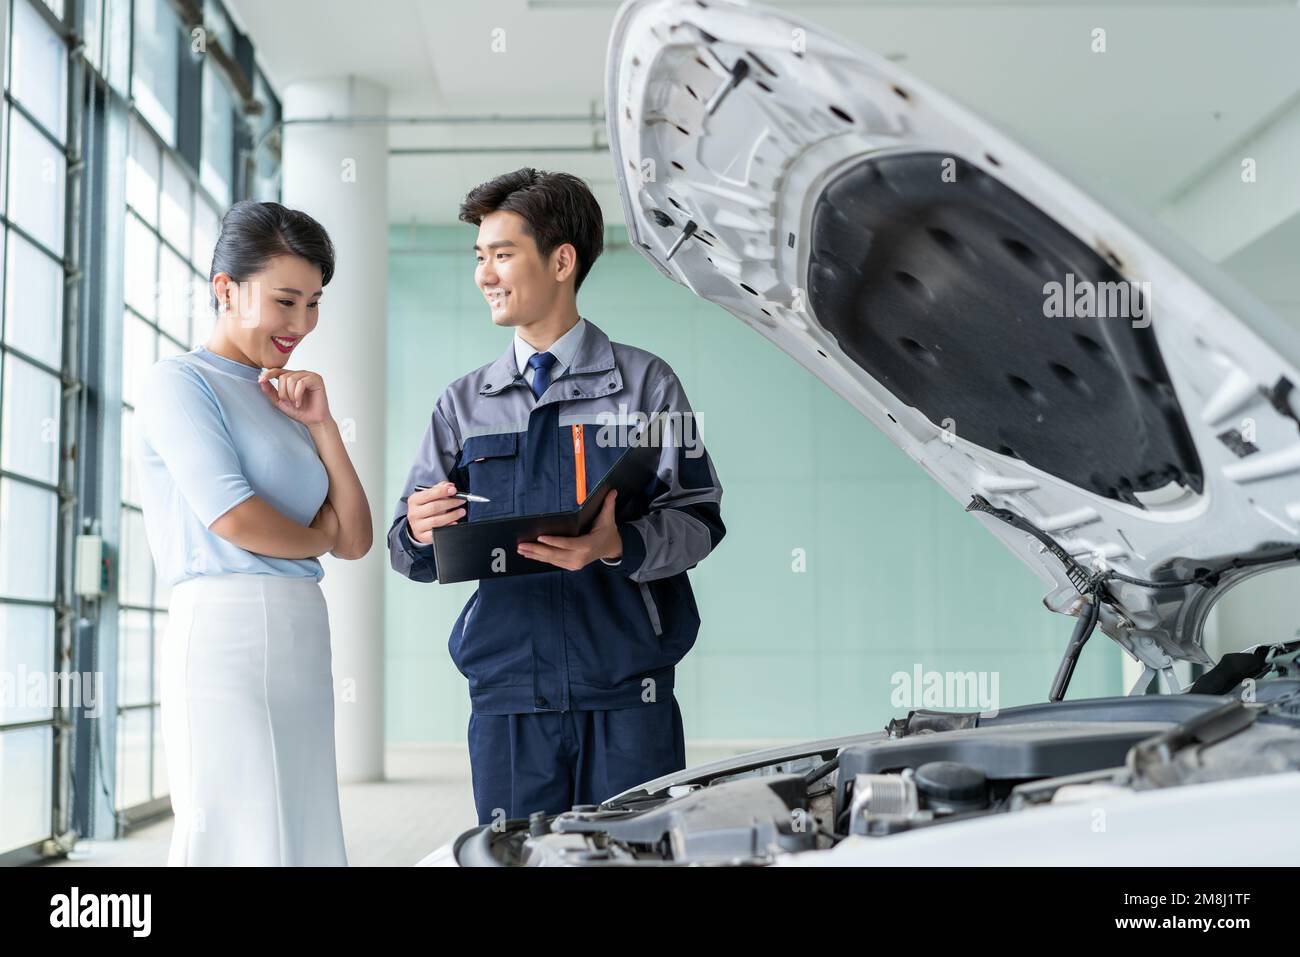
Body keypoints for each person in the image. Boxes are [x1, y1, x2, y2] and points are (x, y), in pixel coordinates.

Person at [388, 168, 725, 825]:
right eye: (479, 258)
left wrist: (617, 545)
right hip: (509, 698)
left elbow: (700, 519)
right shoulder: (461, 404)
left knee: (635, 856)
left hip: (630, 696)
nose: (485, 273)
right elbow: (409, 546)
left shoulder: (647, 385)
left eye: (503, 255)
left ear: (562, 260)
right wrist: (419, 530)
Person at [135, 200, 372, 865]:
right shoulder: (178, 383)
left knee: (304, 825)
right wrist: (316, 534)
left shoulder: (287, 397)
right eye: (285, 300)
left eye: (314, 302)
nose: (301, 323)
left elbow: (354, 536)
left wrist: (323, 424)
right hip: (223, 630)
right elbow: (233, 516)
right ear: (225, 289)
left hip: (301, 629)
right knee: (235, 824)